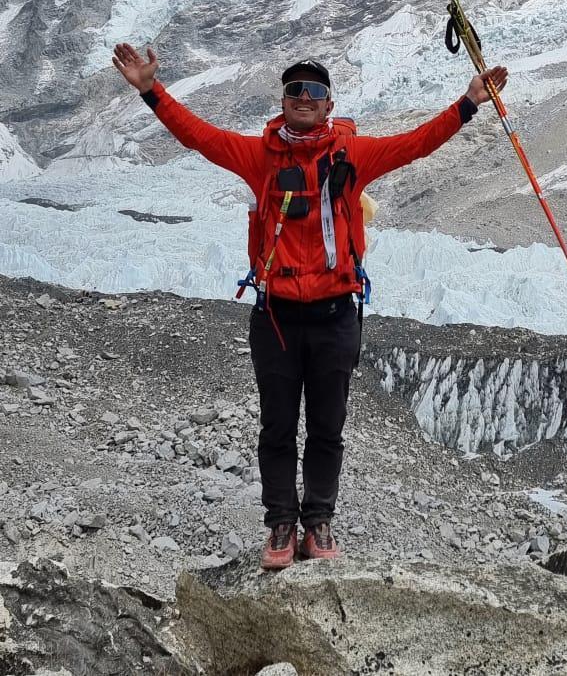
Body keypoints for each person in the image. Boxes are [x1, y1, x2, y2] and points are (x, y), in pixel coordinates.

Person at [112, 42, 507, 569]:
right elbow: (198, 136)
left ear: (328, 104)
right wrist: (150, 91)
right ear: (283, 100)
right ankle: (281, 523)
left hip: (335, 316)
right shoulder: (260, 158)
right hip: (275, 316)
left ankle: (317, 522)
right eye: (294, 88)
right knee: (277, 426)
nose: (303, 96)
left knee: (326, 427)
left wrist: (469, 102)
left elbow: (417, 144)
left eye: (314, 90)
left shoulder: (353, 155)